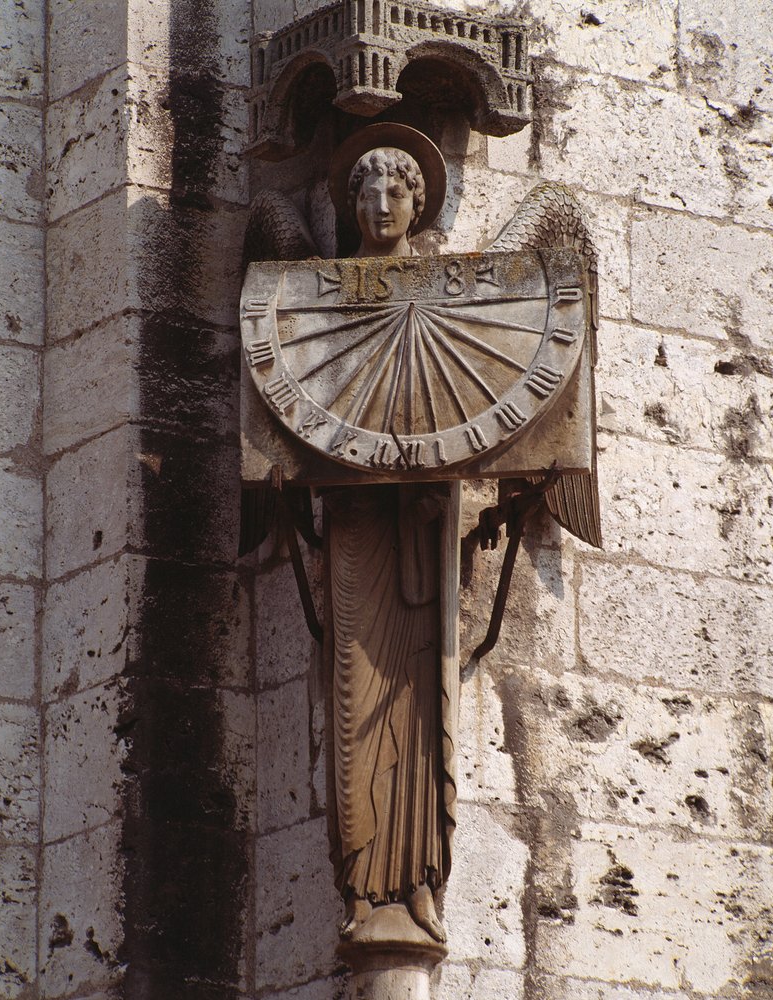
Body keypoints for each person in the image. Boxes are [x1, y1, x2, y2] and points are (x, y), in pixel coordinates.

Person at [323, 125, 459, 945]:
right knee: (355, 697)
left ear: (415, 202)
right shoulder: (324, 290)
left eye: (394, 193)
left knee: (421, 695)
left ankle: (416, 881)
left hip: (423, 513)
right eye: (366, 194)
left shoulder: (447, 288)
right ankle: (363, 886)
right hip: (352, 515)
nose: (380, 205)